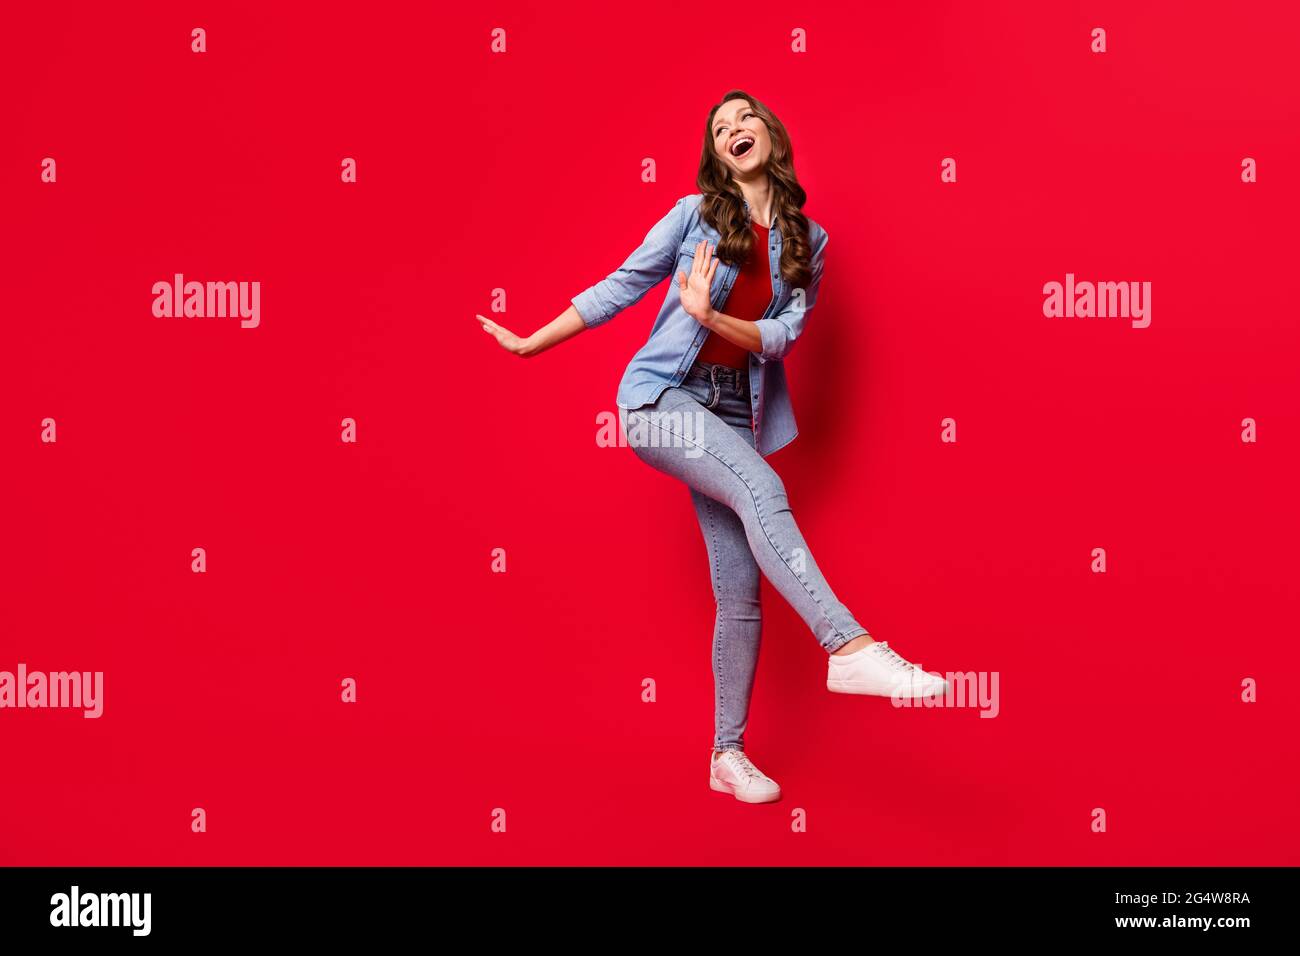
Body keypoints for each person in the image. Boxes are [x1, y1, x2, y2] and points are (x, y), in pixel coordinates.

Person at [476, 89, 949, 804]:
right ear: (716, 156)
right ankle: (850, 649)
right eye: (720, 127)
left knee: (740, 591)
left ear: (768, 134)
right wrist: (531, 343)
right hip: (662, 400)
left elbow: (786, 335)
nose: (734, 129)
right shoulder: (694, 216)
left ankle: (726, 756)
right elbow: (623, 284)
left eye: (744, 118)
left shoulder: (808, 242)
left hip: (733, 412)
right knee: (765, 492)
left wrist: (714, 316)